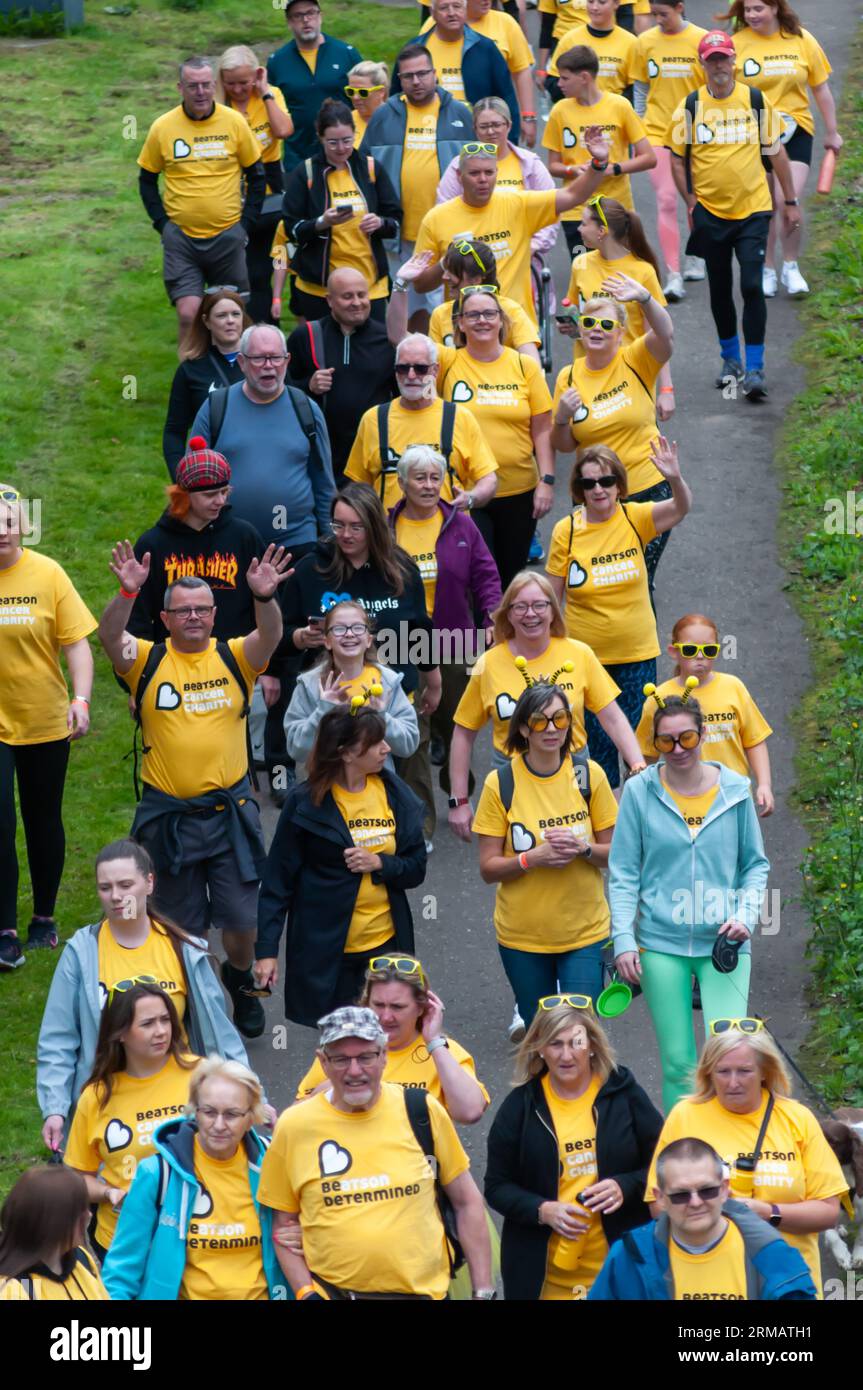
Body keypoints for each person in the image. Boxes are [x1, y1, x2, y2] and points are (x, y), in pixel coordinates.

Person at [98, 542, 291, 1038]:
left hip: (230, 813)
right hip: (169, 819)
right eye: (182, 611)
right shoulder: (147, 660)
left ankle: (240, 977)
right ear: (164, 618)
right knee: (181, 927)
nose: (193, 618)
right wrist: (127, 591)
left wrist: (264, 598)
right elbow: (109, 635)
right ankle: (193, 1007)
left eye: (202, 609)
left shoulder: (234, 656)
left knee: (243, 921)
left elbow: (271, 636)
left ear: (213, 614)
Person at [258, 1006, 494, 1299]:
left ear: (383, 1057)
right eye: (341, 1059)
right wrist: (307, 1293)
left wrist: (483, 1291)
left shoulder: (419, 1109)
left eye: (366, 1057)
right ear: (323, 1062)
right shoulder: (294, 1126)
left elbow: (467, 1202)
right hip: (336, 1292)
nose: (354, 1070)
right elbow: (283, 1226)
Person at [189, 324, 335, 795]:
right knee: (236, 648)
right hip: (231, 549)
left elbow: (322, 478)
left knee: (293, 655)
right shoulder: (218, 407)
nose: (268, 367)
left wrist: (326, 538)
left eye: (276, 359)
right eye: (259, 359)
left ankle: (282, 764)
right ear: (242, 362)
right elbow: (191, 479)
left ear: (287, 363)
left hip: (296, 547)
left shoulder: (304, 408)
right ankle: (230, 759)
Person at [609, 692, 770, 1111]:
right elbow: (624, 872)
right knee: (679, 1062)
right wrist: (624, 939)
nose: (678, 749)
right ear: (654, 743)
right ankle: (683, 1158)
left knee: (729, 1056)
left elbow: (755, 865)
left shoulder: (735, 789)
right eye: (666, 742)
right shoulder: (639, 792)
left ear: (703, 736)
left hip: (725, 943)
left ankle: (728, 1152)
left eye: (687, 738)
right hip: (661, 944)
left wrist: (745, 916)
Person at [36, 839, 249, 1156]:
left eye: (125, 884)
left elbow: (220, 1034)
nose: (116, 896)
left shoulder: (184, 949)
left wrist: (248, 1093)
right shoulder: (82, 953)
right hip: (111, 1104)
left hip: (181, 1100)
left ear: (149, 883)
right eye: (105, 888)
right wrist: (55, 1108)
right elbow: (58, 1038)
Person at [255, 710, 426, 1025]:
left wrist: (381, 863)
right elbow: (278, 883)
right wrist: (266, 951)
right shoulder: (305, 803)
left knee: (388, 1039)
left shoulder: (396, 795)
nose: (386, 749)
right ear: (346, 753)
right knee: (340, 1048)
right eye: (375, 743)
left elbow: (416, 868)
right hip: (327, 954)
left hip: (385, 949)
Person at [485, 999, 663, 1300]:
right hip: (546, 1280)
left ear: (592, 1044)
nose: (566, 1055)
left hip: (620, 1272)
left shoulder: (623, 1092)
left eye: (576, 1043)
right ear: (539, 1047)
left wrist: (626, 1186)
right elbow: (497, 1187)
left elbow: (666, 1164)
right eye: (555, 1044)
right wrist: (543, 1210)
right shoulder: (520, 1108)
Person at [644, 1031, 847, 1291]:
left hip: (786, 1281)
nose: (733, 1083)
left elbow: (829, 1212)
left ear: (765, 1071)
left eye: (744, 1071)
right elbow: (658, 1205)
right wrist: (715, 1211)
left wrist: (769, 1213)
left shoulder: (798, 1118)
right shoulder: (685, 1116)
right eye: (723, 1072)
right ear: (708, 1073)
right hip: (708, 1283)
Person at [449, 571, 644, 842]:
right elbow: (463, 732)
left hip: (573, 772)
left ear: (553, 611)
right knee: (518, 859)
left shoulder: (579, 654)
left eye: (540, 605)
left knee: (582, 852)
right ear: (508, 615)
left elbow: (611, 717)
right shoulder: (489, 664)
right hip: (512, 775)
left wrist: (637, 766)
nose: (531, 614)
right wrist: (458, 800)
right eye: (520, 606)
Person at [388, 272, 553, 586]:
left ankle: (498, 634)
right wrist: (401, 284)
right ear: (459, 324)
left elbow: (542, 428)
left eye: (489, 314)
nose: (482, 321)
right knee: (477, 578)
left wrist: (546, 480)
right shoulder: (447, 361)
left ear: (501, 321)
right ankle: (477, 634)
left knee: (509, 577)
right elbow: (400, 338)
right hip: (465, 494)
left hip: (519, 491)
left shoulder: (524, 365)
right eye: (473, 315)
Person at [546, 443, 691, 787]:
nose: (598, 489)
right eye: (589, 483)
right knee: (596, 753)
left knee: (639, 749)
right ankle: (603, 830)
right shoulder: (565, 531)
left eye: (606, 481)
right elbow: (551, 599)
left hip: (636, 655)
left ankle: (637, 824)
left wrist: (674, 478)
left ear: (619, 486)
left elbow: (682, 507)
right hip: (587, 660)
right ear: (578, 490)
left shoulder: (635, 517)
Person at [669, 29, 801, 400]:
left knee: (751, 285)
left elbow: (777, 154)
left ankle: (755, 369)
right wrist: (691, 200)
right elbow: (677, 160)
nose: (719, 66)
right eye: (712, 60)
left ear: (734, 61)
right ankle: (731, 360)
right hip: (711, 213)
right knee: (720, 288)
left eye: (724, 58)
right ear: (702, 64)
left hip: (755, 210)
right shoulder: (691, 107)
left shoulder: (756, 101)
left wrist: (790, 201)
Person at [474, 684, 619, 1020]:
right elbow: (487, 868)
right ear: (523, 728)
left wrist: (583, 849)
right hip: (523, 938)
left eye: (560, 718)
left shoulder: (589, 775)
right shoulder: (501, 783)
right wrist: (531, 859)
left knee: (580, 1031)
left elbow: (615, 855)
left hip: (585, 932)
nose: (552, 728)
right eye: (540, 721)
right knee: (540, 1034)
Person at [0, 484, 95, 972]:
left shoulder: (48, 573)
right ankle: (5, 930)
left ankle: (43, 917)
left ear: (22, 527)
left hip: (43, 718)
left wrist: (80, 699)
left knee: (43, 819)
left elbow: (76, 642)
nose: (1, 531)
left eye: (8, 522)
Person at [103, 1056, 282, 1300]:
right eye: (208, 1112)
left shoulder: (274, 1163)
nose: (218, 1125)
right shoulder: (157, 1173)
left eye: (231, 1114)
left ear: (251, 1116)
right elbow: (122, 1269)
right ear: (194, 1111)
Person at [391, 445, 502, 834]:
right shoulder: (387, 527)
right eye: (419, 478)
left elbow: (486, 576)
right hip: (403, 642)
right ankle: (420, 824)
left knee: (456, 724)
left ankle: (459, 794)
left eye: (434, 478)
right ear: (402, 483)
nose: (427, 485)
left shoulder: (461, 525)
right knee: (414, 733)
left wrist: (491, 616)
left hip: (456, 639)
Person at [410, 126, 613, 322]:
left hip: (516, 329)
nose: (483, 179)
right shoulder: (436, 218)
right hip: (466, 330)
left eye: (489, 173)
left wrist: (598, 163)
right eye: (474, 174)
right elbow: (420, 285)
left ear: (497, 174)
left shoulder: (518, 205)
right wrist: (447, 262)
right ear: (458, 176)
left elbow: (573, 195)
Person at [280, 483, 441, 724]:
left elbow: (419, 629)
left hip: (391, 698)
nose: (345, 534)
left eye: (357, 527)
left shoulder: (402, 569)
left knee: (402, 757)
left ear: (375, 527)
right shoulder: (310, 569)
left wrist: (434, 683)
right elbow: (280, 635)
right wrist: (300, 637)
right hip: (328, 704)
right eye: (339, 525)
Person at [550, 279, 676, 584]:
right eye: (589, 322)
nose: (596, 328)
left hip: (646, 490)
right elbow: (564, 445)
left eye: (606, 323)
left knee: (637, 580)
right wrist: (562, 419)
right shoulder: (568, 377)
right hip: (594, 493)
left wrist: (645, 298)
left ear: (620, 333)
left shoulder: (636, 359)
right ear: (580, 329)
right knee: (599, 580)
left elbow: (666, 333)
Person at [64, 983, 199, 1260]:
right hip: (124, 1243)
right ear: (121, 1033)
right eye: (148, 1023)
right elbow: (77, 1177)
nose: (161, 1031)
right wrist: (109, 1193)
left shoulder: (200, 1074)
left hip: (195, 1235)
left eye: (165, 1020)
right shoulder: (96, 1096)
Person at [137, 57, 266, 347]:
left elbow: (257, 176)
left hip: (227, 235)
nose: (200, 92)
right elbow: (146, 180)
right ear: (180, 88)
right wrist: (163, 225)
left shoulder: (233, 122)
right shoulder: (163, 127)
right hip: (182, 239)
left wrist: (245, 225)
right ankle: (190, 380)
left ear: (214, 86)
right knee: (188, 313)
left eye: (206, 85)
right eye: (193, 86)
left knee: (232, 316)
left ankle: (235, 379)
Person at [590, 1136, 817, 1299]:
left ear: (725, 1188)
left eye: (707, 1190)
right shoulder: (629, 1256)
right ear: (660, 1199)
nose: (696, 1202)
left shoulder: (772, 1256)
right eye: (680, 1195)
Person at [724, 0, 842, 299]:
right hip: (753, 136)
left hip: (796, 129)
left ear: (775, 8)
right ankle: (767, 268)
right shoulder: (737, 44)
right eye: (747, 10)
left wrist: (832, 131)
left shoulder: (801, 39)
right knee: (766, 205)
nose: (751, 15)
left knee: (787, 197)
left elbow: (821, 88)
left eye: (758, 9)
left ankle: (791, 266)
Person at [359, 43, 474, 334]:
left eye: (422, 73)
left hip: (449, 234)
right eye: (408, 76)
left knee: (450, 313)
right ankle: (410, 369)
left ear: (435, 74)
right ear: (399, 79)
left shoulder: (460, 113)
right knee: (405, 312)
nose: (416, 81)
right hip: (403, 237)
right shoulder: (384, 116)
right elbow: (363, 169)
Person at [295, 954, 489, 1123]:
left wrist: (435, 1043)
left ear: (422, 1007)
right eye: (378, 1005)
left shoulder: (443, 1051)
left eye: (397, 1007)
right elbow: (295, 1117)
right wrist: (340, 1084)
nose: (386, 1017)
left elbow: (470, 1112)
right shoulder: (344, 1050)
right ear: (366, 1003)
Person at [129, 441, 265, 652]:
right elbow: (137, 617)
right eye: (210, 495)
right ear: (183, 496)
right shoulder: (153, 545)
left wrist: (270, 667)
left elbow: (266, 607)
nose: (220, 501)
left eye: (224, 491)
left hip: (238, 666)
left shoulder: (244, 537)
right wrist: (143, 669)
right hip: (171, 668)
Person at [633, 612, 774, 814]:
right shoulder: (659, 697)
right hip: (681, 800)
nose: (700, 657)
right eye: (690, 650)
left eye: (709, 650)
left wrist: (764, 785)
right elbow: (646, 756)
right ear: (674, 652)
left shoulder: (733, 687)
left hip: (733, 796)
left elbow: (754, 740)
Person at [345, 332, 499, 512]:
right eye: (403, 368)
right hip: (388, 536)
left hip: (447, 535)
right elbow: (357, 486)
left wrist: (471, 498)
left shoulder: (460, 417)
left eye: (420, 368)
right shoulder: (373, 419)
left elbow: (489, 479)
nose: (411, 375)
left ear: (435, 370)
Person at [281, 99, 401, 324]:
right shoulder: (305, 173)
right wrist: (321, 222)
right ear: (320, 138)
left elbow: (395, 221)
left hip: (369, 285)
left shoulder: (371, 168)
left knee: (369, 351)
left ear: (355, 134)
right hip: (320, 288)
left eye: (347, 140)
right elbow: (292, 230)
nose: (341, 148)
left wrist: (379, 223)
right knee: (323, 353)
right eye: (332, 143)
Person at [561, 194, 675, 416]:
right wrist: (572, 327)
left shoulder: (642, 272)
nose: (579, 229)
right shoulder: (580, 264)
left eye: (584, 224)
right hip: (588, 372)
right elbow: (577, 313)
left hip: (630, 373)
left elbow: (658, 335)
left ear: (602, 231)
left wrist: (666, 389)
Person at [543, 44, 655, 256]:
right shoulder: (559, 111)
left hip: (616, 209)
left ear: (584, 77)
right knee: (586, 277)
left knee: (619, 278)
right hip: (576, 212)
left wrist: (613, 169)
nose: (559, 84)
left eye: (565, 78)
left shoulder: (619, 106)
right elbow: (553, 166)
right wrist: (574, 170)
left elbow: (649, 158)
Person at [285, 268, 396, 480]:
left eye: (362, 295)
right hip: (320, 452)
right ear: (329, 300)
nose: (357, 302)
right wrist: (309, 385)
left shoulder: (387, 340)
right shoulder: (306, 336)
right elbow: (281, 392)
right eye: (347, 296)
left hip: (373, 451)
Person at [284, 598, 419, 766]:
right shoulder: (310, 685)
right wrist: (322, 711)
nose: (349, 633)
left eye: (358, 628)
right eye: (339, 629)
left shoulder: (387, 682)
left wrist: (383, 717)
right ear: (327, 641)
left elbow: (408, 745)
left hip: (377, 786)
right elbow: (297, 750)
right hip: (325, 786)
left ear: (369, 639)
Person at [632, 2, 708, 301]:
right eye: (654, 14)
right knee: (665, 199)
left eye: (664, 13)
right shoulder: (645, 42)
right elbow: (640, 88)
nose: (658, 19)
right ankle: (673, 275)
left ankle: (697, 252)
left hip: (696, 134)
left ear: (680, 7)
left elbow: (713, 87)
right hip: (657, 132)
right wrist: (638, 127)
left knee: (695, 199)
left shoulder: (701, 40)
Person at [216, 46, 294, 324]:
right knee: (244, 268)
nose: (238, 89)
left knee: (271, 263)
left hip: (270, 189)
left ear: (256, 75)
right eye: (231, 83)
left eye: (244, 82)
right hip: (233, 189)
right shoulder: (218, 107)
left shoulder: (268, 95)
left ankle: (267, 326)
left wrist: (265, 92)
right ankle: (241, 326)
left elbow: (284, 131)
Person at [435, 98, 559, 270]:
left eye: (497, 124)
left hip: (523, 263)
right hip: (474, 265)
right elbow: (443, 211)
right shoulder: (458, 166)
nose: (491, 131)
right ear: (475, 130)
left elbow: (551, 207)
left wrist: (534, 245)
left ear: (508, 126)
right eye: (484, 126)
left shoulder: (529, 163)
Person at [395, 0, 521, 141]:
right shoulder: (416, 49)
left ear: (465, 10)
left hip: (476, 139)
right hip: (426, 138)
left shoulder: (486, 48)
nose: (451, 13)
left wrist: (511, 143)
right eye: (444, 8)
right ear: (432, 13)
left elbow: (506, 96)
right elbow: (396, 98)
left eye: (457, 6)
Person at [423, 0, 537, 145]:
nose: (487, 1)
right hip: (440, 123)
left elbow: (521, 71)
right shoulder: (433, 25)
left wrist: (528, 116)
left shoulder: (505, 23)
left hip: (486, 125)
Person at [267, 0, 362, 173]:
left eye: (311, 13)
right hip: (298, 157)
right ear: (289, 22)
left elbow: (365, 97)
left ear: (320, 16)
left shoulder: (346, 54)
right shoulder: (277, 62)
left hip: (344, 153)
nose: (306, 20)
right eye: (298, 15)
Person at [162, 290, 249, 473]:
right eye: (221, 315)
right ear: (206, 321)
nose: (230, 321)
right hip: (211, 473)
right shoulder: (190, 370)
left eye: (235, 314)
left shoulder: (266, 362)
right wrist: (181, 478)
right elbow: (174, 431)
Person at [0, 1168, 108, 1302]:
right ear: (54, 1221)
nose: (89, 1215)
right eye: (79, 1210)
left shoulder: (81, 1258)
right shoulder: (20, 1288)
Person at [429, 238, 541, 359]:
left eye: (452, 272)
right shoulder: (440, 314)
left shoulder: (511, 311)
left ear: (476, 280)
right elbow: (431, 368)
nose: (444, 277)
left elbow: (532, 363)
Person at [547, 0, 639, 100]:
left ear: (616, 4)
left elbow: (637, 89)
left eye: (602, 2)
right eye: (590, 2)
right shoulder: (570, 39)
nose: (594, 7)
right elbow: (553, 83)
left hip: (615, 112)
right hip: (577, 111)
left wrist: (610, 105)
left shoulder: (630, 42)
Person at [344, 60, 390, 147]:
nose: (355, 97)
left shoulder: (398, 121)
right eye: (350, 91)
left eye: (363, 92)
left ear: (381, 92)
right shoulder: (344, 121)